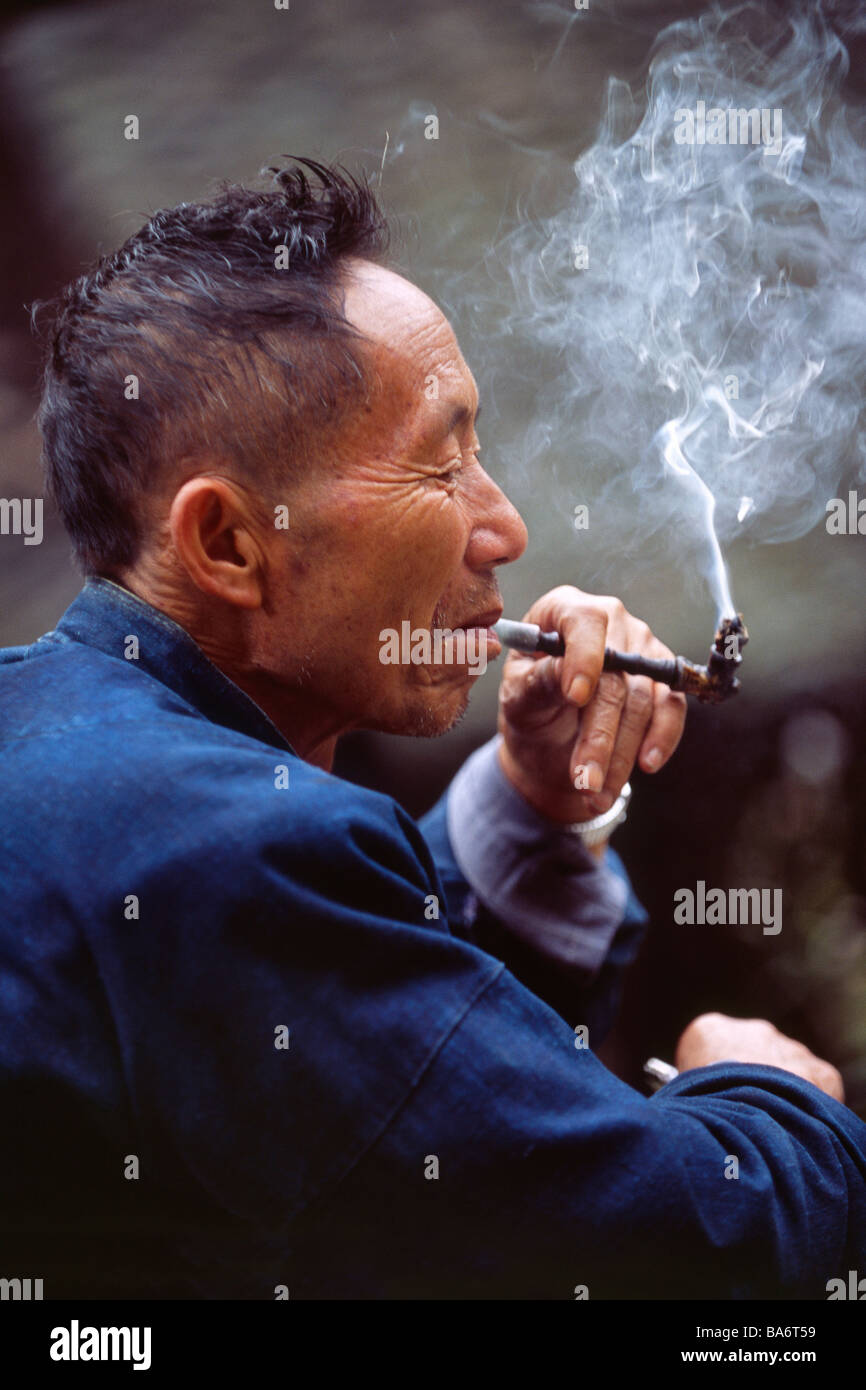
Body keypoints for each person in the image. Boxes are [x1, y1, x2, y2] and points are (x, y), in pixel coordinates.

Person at [1, 160, 862, 1299]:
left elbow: (349, 1061)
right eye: (439, 459)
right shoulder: (219, 849)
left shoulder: (76, 743)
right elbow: (692, 1247)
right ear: (227, 545)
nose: (502, 525)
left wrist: (526, 807)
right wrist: (766, 1108)